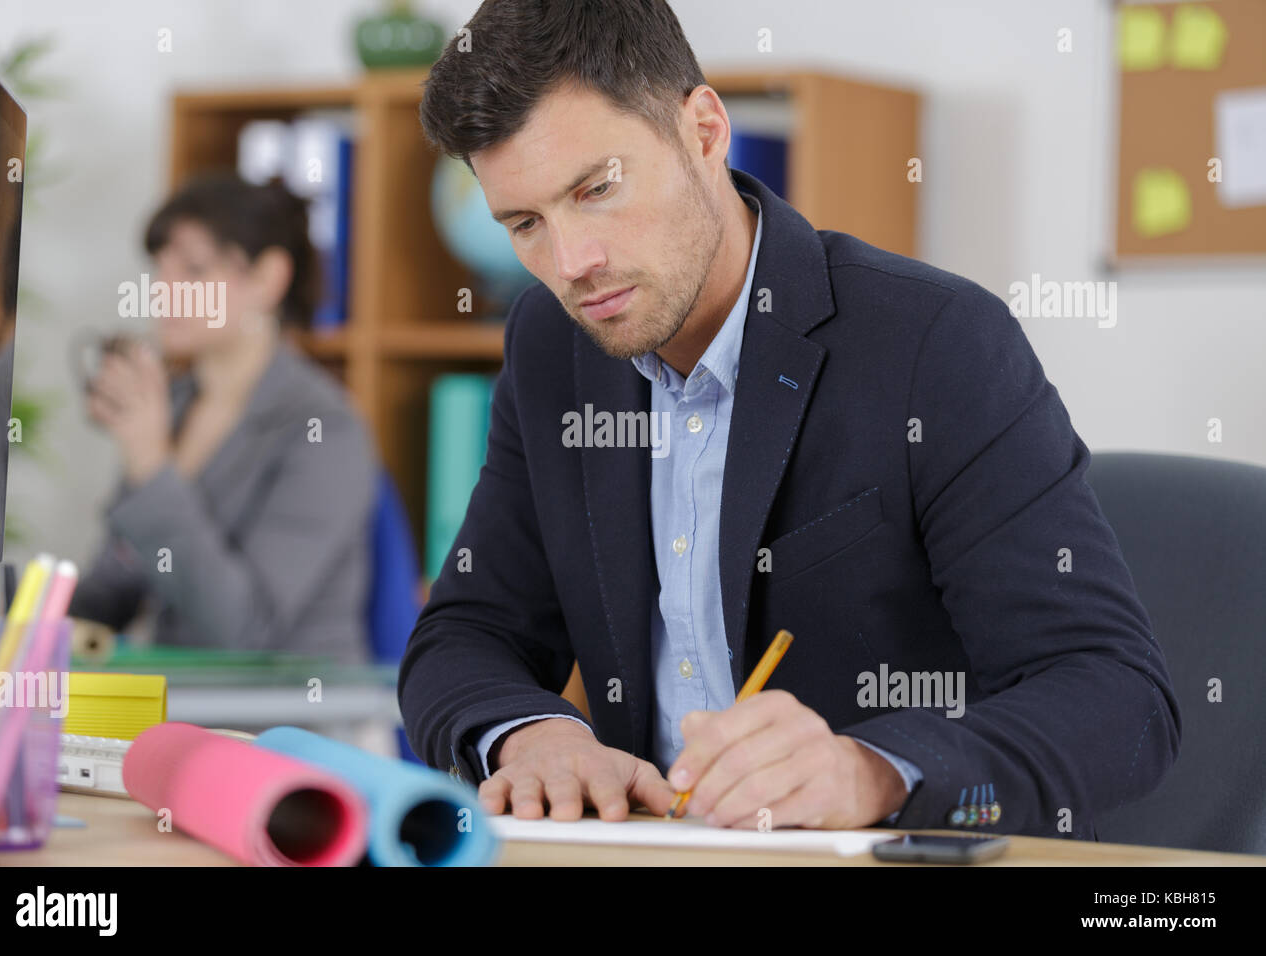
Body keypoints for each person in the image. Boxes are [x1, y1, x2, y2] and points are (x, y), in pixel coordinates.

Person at [399, 0, 1180, 836]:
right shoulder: (556, 347)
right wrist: (532, 735)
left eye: (597, 189)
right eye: (525, 223)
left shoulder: (936, 343)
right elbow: (469, 632)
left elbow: (1118, 696)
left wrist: (876, 773)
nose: (571, 264)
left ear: (702, 130)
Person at [68, 173, 377, 664]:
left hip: (286, 723)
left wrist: (150, 464)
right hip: (183, 707)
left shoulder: (324, 428)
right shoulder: (170, 405)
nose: (164, 292)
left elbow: (243, 630)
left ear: (268, 278)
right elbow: (113, 591)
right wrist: (29, 620)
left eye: (193, 271)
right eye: (159, 270)